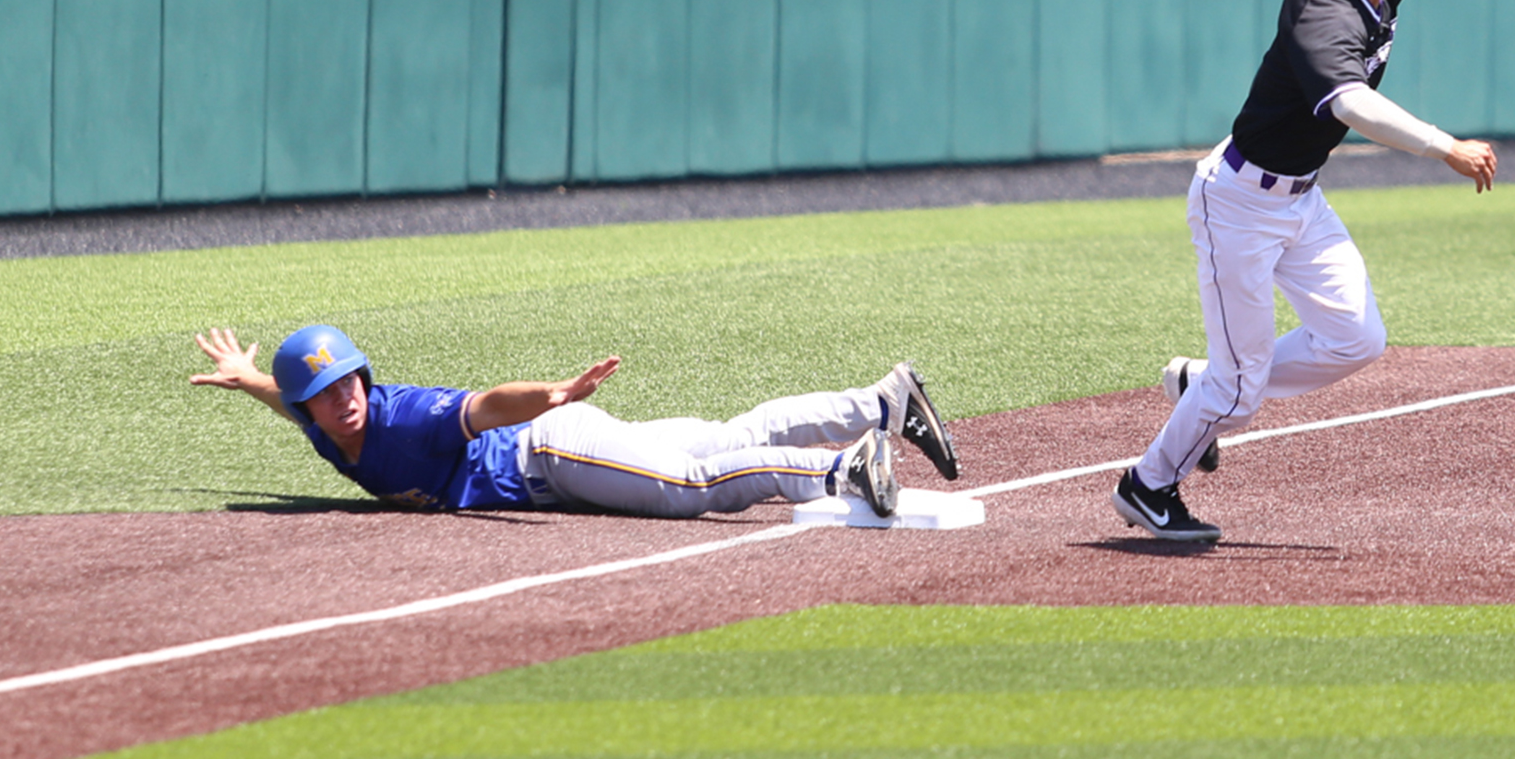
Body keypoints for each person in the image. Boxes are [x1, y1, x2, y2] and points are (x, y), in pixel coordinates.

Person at [1110, 0, 1515, 541]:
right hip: (1240, 206)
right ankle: (1148, 485)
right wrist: (1445, 146)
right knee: (1242, 384)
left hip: (1301, 198)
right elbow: (1351, 102)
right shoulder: (1322, 4)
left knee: (1354, 339)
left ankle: (1205, 387)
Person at [190, 325, 961, 519]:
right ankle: (886, 402)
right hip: (556, 446)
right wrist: (250, 379)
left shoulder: (399, 419)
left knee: (691, 487)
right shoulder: (325, 425)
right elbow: (296, 406)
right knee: (729, 436)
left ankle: (841, 469)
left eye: (349, 380)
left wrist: (552, 395)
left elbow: (485, 405)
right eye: (325, 392)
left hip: (549, 450)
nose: (344, 398)